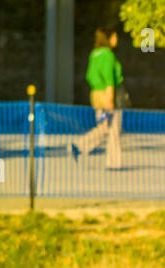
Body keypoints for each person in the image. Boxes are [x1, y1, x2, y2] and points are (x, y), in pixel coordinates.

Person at [71, 25, 125, 169]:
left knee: (104, 125)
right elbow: (109, 78)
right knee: (113, 128)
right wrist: (110, 98)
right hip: (107, 94)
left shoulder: (94, 54)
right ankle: (114, 163)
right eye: (114, 36)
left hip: (96, 94)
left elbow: (89, 75)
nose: (116, 39)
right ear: (108, 38)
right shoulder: (108, 54)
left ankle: (80, 145)